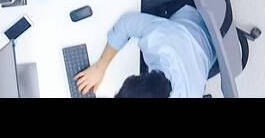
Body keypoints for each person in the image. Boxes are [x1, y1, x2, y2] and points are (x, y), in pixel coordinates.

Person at [74, 6, 217, 98]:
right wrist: (101, 66)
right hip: (199, 28)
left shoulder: (162, 42)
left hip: (205, 40)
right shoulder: (159, 41)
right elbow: (125, 24)